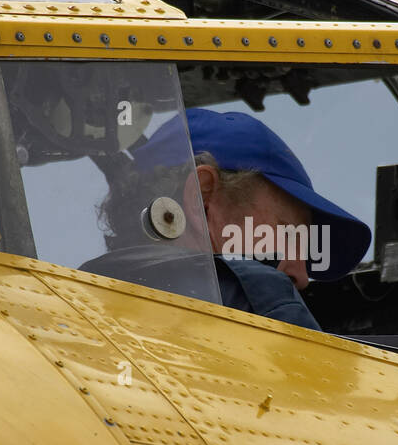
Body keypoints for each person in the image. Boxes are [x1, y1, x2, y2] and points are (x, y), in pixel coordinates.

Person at [84, 109, 371, 330]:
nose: (301, 276)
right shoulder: (255, 301)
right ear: (203, 198)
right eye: (286, 235)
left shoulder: (72, 311)